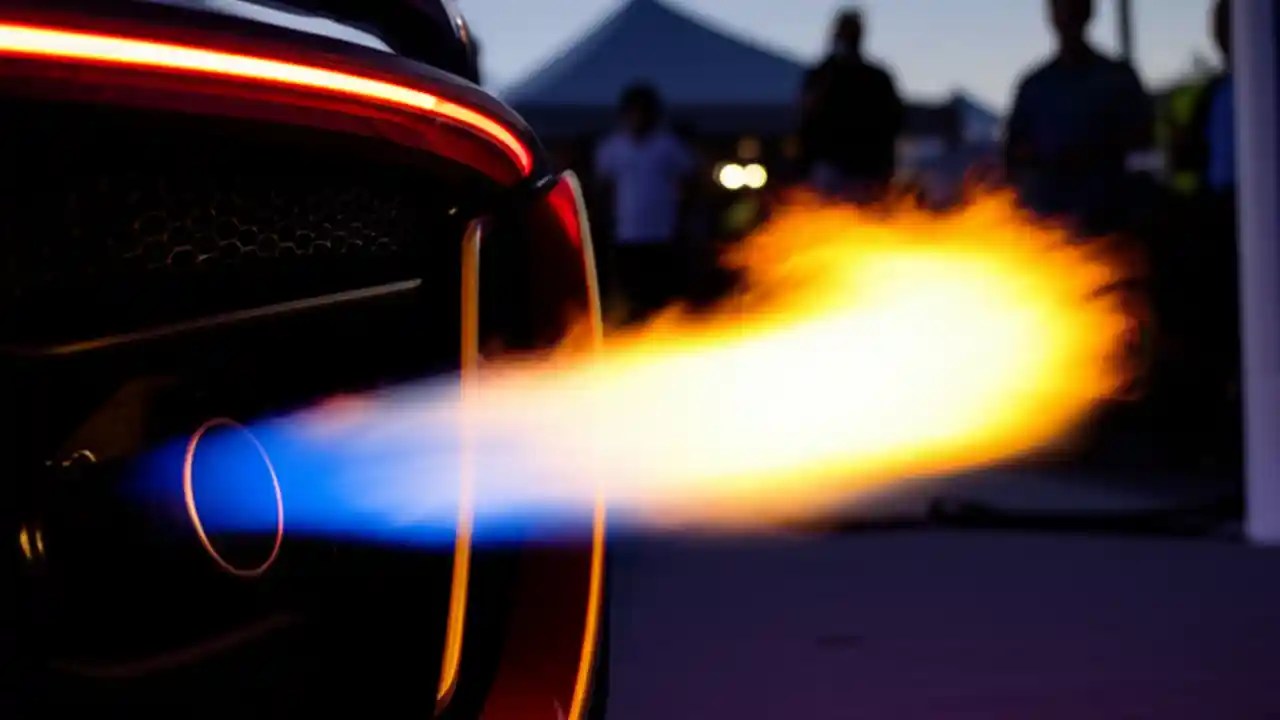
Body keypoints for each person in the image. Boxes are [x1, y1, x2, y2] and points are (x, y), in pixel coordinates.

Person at [1005, 0, 1154, 235]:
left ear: (1088, 11)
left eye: (1073, 5)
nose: (1067, 14)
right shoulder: (1035, 87)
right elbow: (1014, 156)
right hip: (1050, 225)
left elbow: (1143, 150)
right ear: (1051, 14)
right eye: (1060, 6)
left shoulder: (1117, 80)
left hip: (1110, 220)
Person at [594, 83, 696, 323]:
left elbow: (690, 180)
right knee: (632, 297)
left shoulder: (669, 146)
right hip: (626, 236)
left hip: (662, 235)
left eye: (643, 110)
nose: (638, 116)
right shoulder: (612, 148)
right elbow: (603, 187)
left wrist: (684, 219)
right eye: (633, 111)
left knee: (660, 298)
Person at [800, 8, 904, 201]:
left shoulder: (876, 78)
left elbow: (894, 120)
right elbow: (807, 117)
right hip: (834, 166)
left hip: (866, 169)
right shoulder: (824, 75)